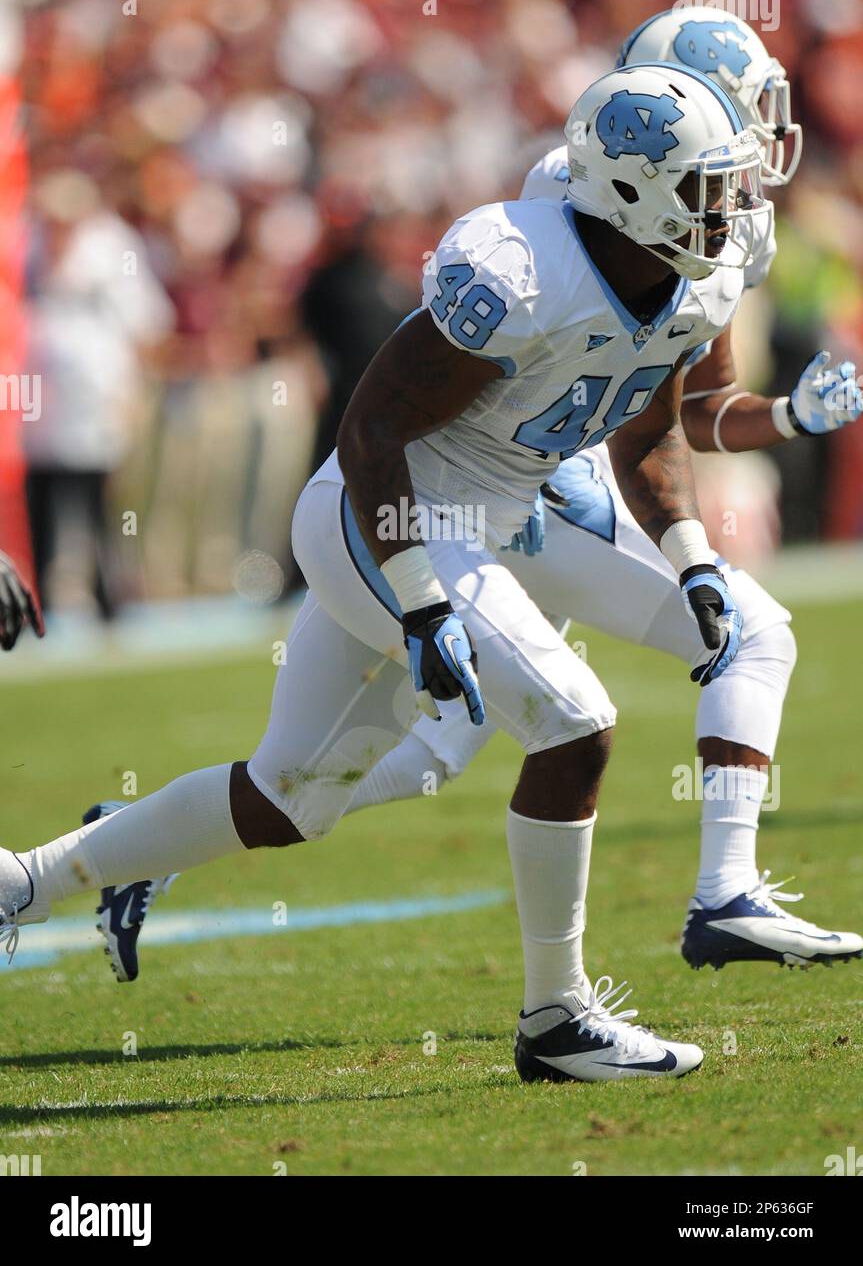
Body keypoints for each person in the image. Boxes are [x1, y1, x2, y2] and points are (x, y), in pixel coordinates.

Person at [2, 62, 770, 1082]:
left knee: (287, 799)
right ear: (627, 193)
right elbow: (372, 431)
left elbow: (647, 427)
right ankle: (555, 1018)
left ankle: (20, 881)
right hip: (386, 510)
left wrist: (691, 556)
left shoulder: (691, 278)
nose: (725, 209)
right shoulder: (522, 270)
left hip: (472, 525)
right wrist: (416, 601)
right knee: (574, 725)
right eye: (700, 188)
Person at [99, 9, 863, 986]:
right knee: (497, 737)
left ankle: (722, 895)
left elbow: (677, 411)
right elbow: (524, 396)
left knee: (380, 769)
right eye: (743, 112)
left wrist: (788, 418)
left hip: (544, 478)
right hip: (514, 487)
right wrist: (429, 581)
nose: (761, 141)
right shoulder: (565, 216)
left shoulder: (718, 221)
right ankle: (599, 980)